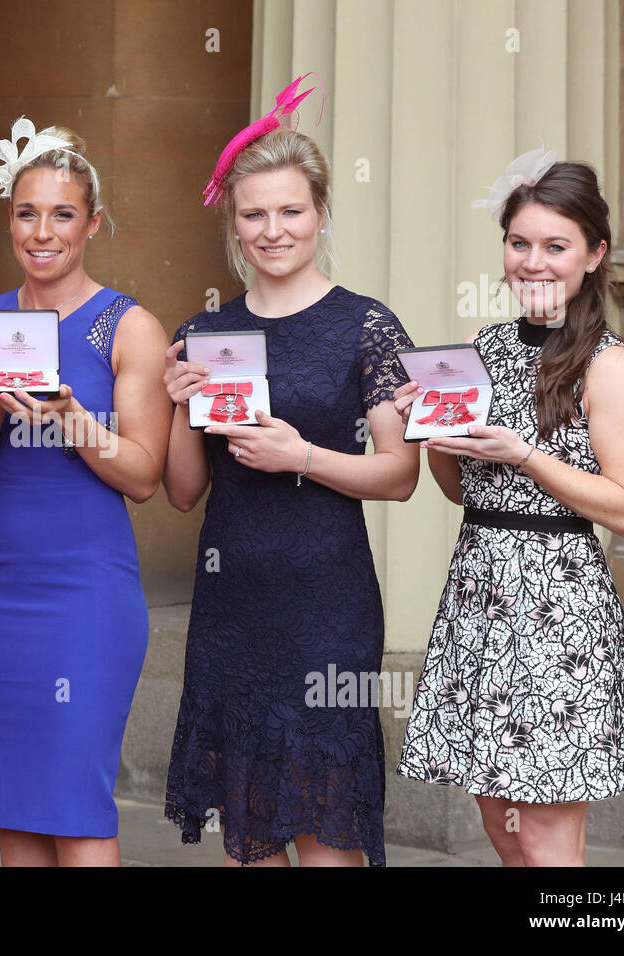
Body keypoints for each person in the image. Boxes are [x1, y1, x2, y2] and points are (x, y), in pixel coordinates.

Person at [161, 77, 419, 867]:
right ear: (234, 223)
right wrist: (177, 404)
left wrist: (300, 455)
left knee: (326, 831)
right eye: (254, 214)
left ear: (320, 214)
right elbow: (181, 491)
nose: (273, 230)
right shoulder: (205, 333)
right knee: (249, 840)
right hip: (232, 603)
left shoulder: (365, 326)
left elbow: (400, 476)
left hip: (325, 605)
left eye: (290, 211)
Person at [396, 148, 624, 866]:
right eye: (520, 243)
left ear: (593, 254)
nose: (533, 262)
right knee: (503, 829)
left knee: (545, 837)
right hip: (480, 597)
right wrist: (432, 431)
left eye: (555, 246)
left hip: (556, 610)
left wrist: (524, 454)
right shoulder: (482, 348)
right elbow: (459, 490)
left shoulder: (610, 364)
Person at [0, 117, 172, 866]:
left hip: (88, 594)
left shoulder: (128, 328)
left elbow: (144, 477)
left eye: (62, 213)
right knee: (17, 809)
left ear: (91, 223)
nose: (43, 231)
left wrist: (73, 420)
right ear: (10, 219)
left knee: (76, 805)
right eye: (27, 212)